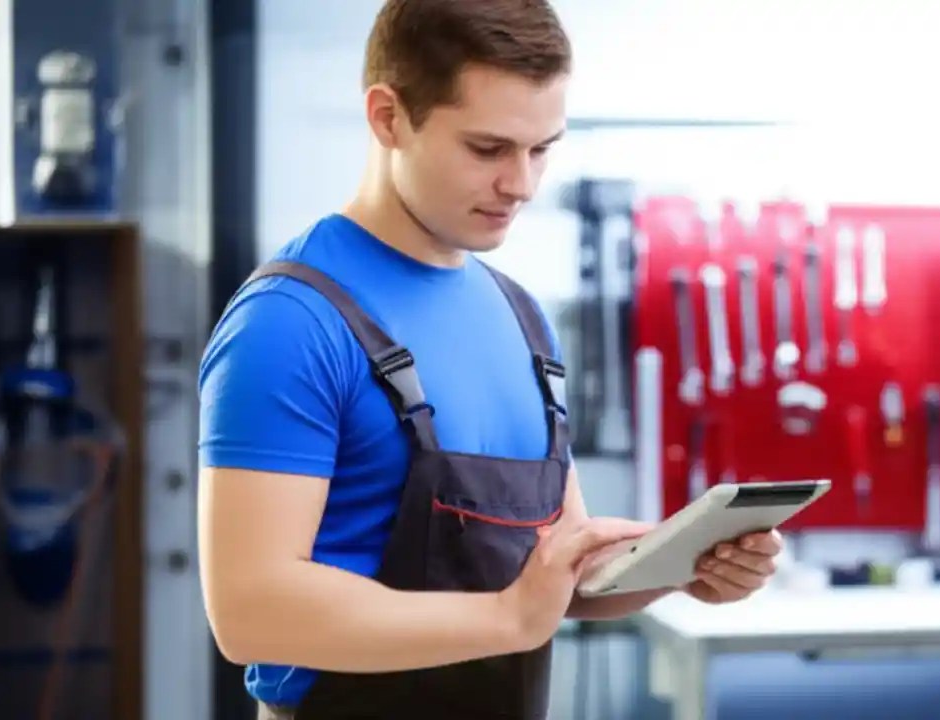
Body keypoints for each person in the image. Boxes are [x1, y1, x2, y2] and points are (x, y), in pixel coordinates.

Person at [196, 1, 783, 717]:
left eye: (542, 149)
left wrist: (678, 565)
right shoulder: (291, 324)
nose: (523, 184)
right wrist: (508, 618)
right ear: (387, 118)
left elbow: (553, 571)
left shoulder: (521, 317)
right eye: (488, 148)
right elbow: (251, 611)